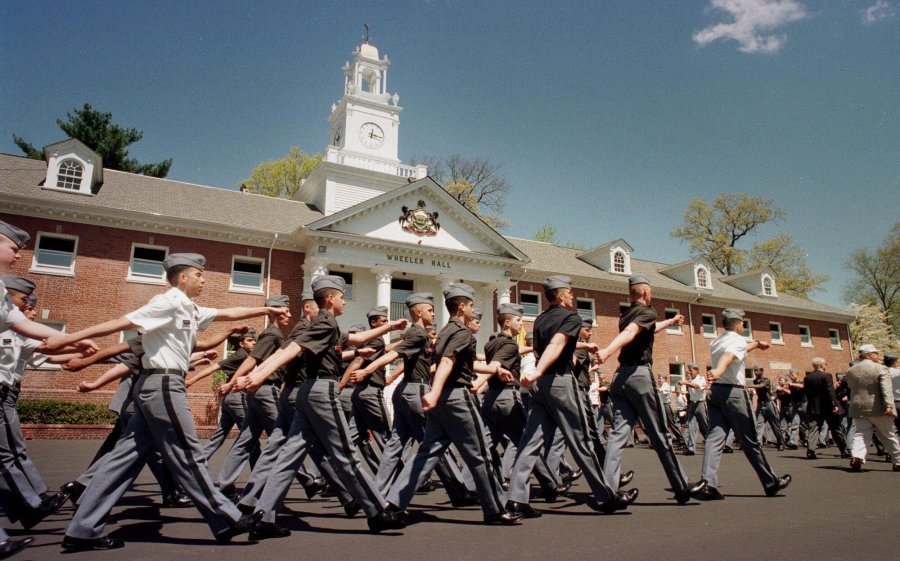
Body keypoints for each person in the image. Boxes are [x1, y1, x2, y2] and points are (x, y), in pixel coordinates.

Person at [44, 253, 286, 551]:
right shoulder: (167, 301)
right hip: (163, 384)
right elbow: (121, 322)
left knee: (123, 459)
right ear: (183, 277)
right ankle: (228, 518)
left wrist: (264, 308)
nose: (204, 279)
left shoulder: (188, 307)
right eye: (199, 274)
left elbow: (227, 312)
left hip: (156, 386)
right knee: (189, 454)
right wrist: (66, 340)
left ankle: (82, 530)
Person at [240, 275, 408, 536]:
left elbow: (358, 337)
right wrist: (260, 374)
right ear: (331, 298)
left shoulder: (325, 323)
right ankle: (378, 511)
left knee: (288, 457)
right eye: (342, 296)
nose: (344, 301)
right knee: (347, 454)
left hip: (308, 391)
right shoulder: (325, 322)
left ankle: (264, 518)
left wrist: (390, 328)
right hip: (322, 391)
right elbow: (293, 348)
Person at [384, 283, 520, 525]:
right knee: (480, 455)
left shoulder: (445, 331)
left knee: (425, 455)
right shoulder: (463, 332)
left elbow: (461, 364)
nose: (472, 309)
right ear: (461, 306)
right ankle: (495, 509)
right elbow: (448, 361)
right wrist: (434, 392)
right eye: (470, 305)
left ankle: (394, 504)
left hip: (442, 401)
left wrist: (495, 368)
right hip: (457, 398)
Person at [509, 276, 634, 518]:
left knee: (530, 443)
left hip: (541, 388)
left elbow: (558, 344)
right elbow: (556, 345)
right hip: (559, 382)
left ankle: (516, 499)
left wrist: (582, 348)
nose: (572, 295)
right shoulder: (571, 317)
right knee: (581, 441)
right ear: (559, 295)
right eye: (569, 292)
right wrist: (537, 371)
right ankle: (605, 496)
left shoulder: (541, 319)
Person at [597, 274, 705, 504]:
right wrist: (607, 351)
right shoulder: (647, 312)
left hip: (621, 378)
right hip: (639, 377)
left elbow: (647, 328)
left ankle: (606, 491)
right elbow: (631, 333)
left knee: (617, 435)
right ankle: (681, 486)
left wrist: (671, 322)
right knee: (659, 433)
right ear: (646, 293)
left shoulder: (626, 314)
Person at [698, 308, 791, 500]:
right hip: (734, 393)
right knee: (749, 440)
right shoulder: (738, 340)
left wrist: (756, 344)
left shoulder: (716, 341)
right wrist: (718, 370)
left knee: (714, 439)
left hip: (715, 393)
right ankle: (771, 481)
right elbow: (729, 356)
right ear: (740, 324)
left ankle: (708, 483)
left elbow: (735, 350)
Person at [844, 344, 900, 472]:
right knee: (888, 435)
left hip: (858, 406)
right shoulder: (880, 368)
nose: (878, 355)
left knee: (860, 434)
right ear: (869, 355)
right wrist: (889, 406)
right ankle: (897, 461)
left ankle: (857, 457)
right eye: (876, 353)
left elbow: (851, 387)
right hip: (878, 407)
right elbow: (886, 390)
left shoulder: (851, 370)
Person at [803, 357, 849, 460]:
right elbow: (830, 391)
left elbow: (807, 393)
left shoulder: (807, 378)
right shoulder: (826, 376)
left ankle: (811, 451)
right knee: (835, 428)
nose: (826, 365)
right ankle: (843, 450)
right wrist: (835, 405)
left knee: (813, 429)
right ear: (822, 365)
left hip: (814, 406)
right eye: (826, 364)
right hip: (827, 406)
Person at [751, 366, 785, 450]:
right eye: (754, 370)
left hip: (768, 403)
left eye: (757, 370)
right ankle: (758, 443)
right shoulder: (755, 381)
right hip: (760, 404)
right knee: (759, 424)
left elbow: (761, 386)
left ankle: (780, 442)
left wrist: (747, 385)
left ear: (761, 371)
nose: (755, 372)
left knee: (775, 424)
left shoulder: (766, 380)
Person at [680, 363, 708, 455]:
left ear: (697, 370)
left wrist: (686, 383)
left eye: (691, 370)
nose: (689, 372)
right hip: (692, 405)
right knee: (691, 427)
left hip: (700, 404)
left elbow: (697, 386)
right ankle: (691, 449)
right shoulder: (690, 380)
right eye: (689, 370)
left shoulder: (701, 379)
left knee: (705, 427)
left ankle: (712, 444)